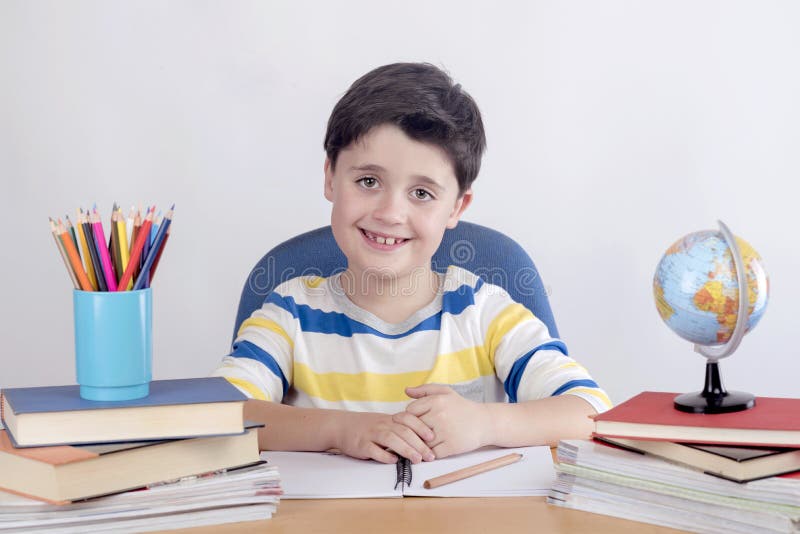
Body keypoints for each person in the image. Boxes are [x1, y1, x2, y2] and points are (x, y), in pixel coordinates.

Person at [212, 62, 611, 465]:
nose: (390, 213)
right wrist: (338, 430)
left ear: (457, 206)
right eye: (368, 181)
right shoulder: (289, 314)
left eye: (421, 192)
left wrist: (485, 423)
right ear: (331, 177)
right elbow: (219, 414)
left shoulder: (484, 312)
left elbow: (591, 412)